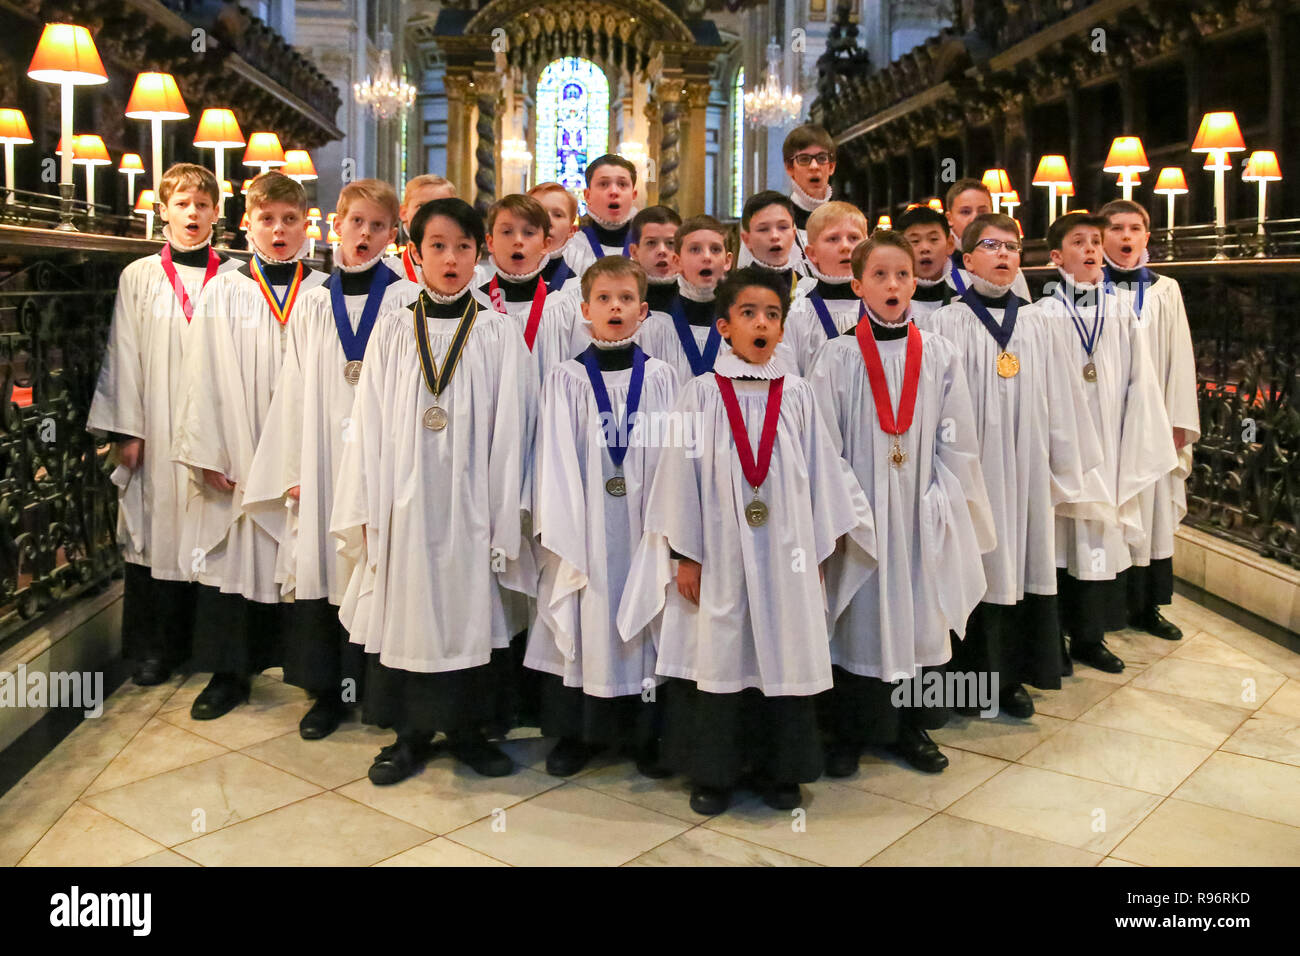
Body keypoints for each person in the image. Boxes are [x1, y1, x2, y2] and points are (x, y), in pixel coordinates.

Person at [618, 266, 876, 816]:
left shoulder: (799, 394)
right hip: (717, 554)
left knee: (781, 649)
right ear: (724, 327)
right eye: (749, 313)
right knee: (721, 653)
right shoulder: (700, 394)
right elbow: (676, 476)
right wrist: (685, 554)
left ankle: (782, 769)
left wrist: (822, 548)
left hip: (788, 553)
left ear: (783, 329)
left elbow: (823, 474)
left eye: (773, 315)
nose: (762, 323)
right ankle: (714, 771)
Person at [331, 197, 537, 784]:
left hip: (473, 502)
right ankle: (409, 734)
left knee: (470, 610)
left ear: (481, 255)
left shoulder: (498, 334)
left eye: (464, 248)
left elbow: (513, 428)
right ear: (414, 253)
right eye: (438, 247)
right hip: (405, 502)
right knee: (410, 609)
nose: (451, 259)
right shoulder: (394, 329)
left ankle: (471, 731)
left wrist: (502, 515)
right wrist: (369, 505)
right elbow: (368, 420)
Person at [810, 231, 994, 776]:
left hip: (920, 510)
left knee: (917, 616)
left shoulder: (938, 352)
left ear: (915, 281)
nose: (892, 285)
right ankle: (852, 730)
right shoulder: (837, 356)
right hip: (861, 513)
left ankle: (910, 727)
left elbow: (956, 436)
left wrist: (944, 500)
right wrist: (848, 513)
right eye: (880, 276)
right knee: (860, 620)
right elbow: (824, 444)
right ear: (858, 284)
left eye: (902, 275)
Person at [242, 179, 421, 739]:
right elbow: (293, 389)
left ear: (394, 235)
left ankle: (378, 690)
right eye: (355, 223)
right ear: (334, 226)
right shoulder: (315, 302)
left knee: (374, 565)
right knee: (324, 564)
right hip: (322, 462)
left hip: (379, 464)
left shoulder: (406, 301)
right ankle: (326, 692)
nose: (363, 234)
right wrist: (292, 468)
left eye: (376, 225)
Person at [917, 212, 1102, 713]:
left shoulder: (1039, 323)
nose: (1003, 255)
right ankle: (964, 684)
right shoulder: (944, 323)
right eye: (991, 245)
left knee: (1021, 565)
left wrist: (1060, 464)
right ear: (967, 258)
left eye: (1012, 247)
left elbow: (1062, 400)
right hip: (969, 473)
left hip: (1024, 473)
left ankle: (1009, 681)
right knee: (973, 563)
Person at [173, 171, 328, 720]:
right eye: (267, 220)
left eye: (290, 219)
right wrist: (209, 452)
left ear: (307, 225)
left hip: (304, 459)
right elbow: (202, 377)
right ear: (247, 225)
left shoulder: (323, 293)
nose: (279, 230)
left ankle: (314, 677)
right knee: (236, 559)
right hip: (240, 449)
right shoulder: (227, 289)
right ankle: (229, 673)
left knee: (305, 560)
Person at [87, 162, 240, 686]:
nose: (192, 214)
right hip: (159, 420)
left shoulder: (238, 278)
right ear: (163, 213)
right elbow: (124, 354)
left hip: (221, 433)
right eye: (181, 204)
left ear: (218, 213)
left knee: (217, 531)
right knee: (159, 532)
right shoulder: (140, 277)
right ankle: (158, 649)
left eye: (202, 204)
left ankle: (216, 650)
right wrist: (128, 431)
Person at [526, 256, 679, 777]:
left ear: (644, 311)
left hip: (643, 525)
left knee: (645, 614)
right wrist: (568, 527)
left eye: (627, 299)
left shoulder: (661, 378)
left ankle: (646, 736)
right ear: (584, 310)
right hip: (586, 525)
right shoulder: (566, 379)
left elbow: (674, 458)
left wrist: (665, 522)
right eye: (604, 299)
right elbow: (554, 460)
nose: (616, 308)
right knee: (589, 613)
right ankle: (580, 733)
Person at [1040, 212, 1177, 673]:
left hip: (1112, 442)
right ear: (1057, 256)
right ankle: (1054, 635)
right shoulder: (1042, 316)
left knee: (1099, 539)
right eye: (1079, 242)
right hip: (1064, 450)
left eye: (1095, 241)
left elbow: (1143, 381)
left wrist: (1138, 437)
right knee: (1061, 543)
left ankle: (1090, 636)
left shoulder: (1121, 311)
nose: (1092, 249)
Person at [1099, 199, 1199, 641]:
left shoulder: (1165, 290)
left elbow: (1180, 357)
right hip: (1103, 423)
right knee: (1106, 514)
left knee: (1152, 510)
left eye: (1134, 228)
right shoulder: (1089, 290)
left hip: (1154, 422)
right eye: (1115, 228)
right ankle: (1101, 609)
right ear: (1100, 237)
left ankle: (1146, 606)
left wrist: (1178, 421)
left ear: (1147, 237)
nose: (1125, 237)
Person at [477, 193, 587, 382]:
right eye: (507, 232)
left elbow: (578, 377)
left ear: (545, 244)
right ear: (490, 242)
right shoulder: (475, 306)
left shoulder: (565, 307)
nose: (518, 240)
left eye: (529, 233)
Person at [636, 214, 734, 382]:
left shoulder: (738, 326)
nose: (707, 257)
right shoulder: (655, 325)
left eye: (715, 249)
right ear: (676, 261)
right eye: (695, 249)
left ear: (727, 261)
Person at [779, 201, 869, 374]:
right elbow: (790, 379)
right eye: (833, 239)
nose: (845, 247)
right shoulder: (797, 313)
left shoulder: (879, 309)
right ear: (812, 253)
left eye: (854, 238)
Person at [733, 123, 837, 268]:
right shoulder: (767, 220)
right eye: (804, 159)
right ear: (789, 167)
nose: (814, 166)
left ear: (831, 166)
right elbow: (746, 278)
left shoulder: (845, 220)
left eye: (821, 158)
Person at [944, 178, 1031, 301]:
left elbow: (1024, 314)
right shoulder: (940, 266)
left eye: (982, 211)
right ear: (950, 218)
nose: (974, 218)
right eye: (965, 212)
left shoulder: (1007, 263)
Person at [564, 154, 639, 277]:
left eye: (622, 184)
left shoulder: (647, 246)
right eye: (604, 184)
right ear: (587, 195)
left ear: (633, 195)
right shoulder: (569, 247)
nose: (614, 191)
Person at [738, 190, 813, 299]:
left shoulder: (811, 291)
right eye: (763, 229)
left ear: (793, 235)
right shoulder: (732, 292)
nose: (775, 236)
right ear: (747, 240)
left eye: (783, 227)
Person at [386, 174, 456, 284]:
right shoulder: (389, 270)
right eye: (421, 206)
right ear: (403, 213)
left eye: (442, 206)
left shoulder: (470, 270)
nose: (431, 213)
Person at [896, 205, 959, 320]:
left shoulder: (964, 299)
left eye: (933, 239)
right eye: (915, 241)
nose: (925, 248)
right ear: (900, 248)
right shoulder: (888, 302)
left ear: (949, 244)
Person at [628, 205, 682, 325]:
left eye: (671, 243)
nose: (662, 251)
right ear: (634, 252)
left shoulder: (695, 296)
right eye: (651, 243)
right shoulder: (623, 294)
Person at [528, 181, 583, 296]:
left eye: (557, 215)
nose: (547, 221)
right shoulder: (495, 289)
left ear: (572, 230)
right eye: (538, 213)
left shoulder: (579, 292)